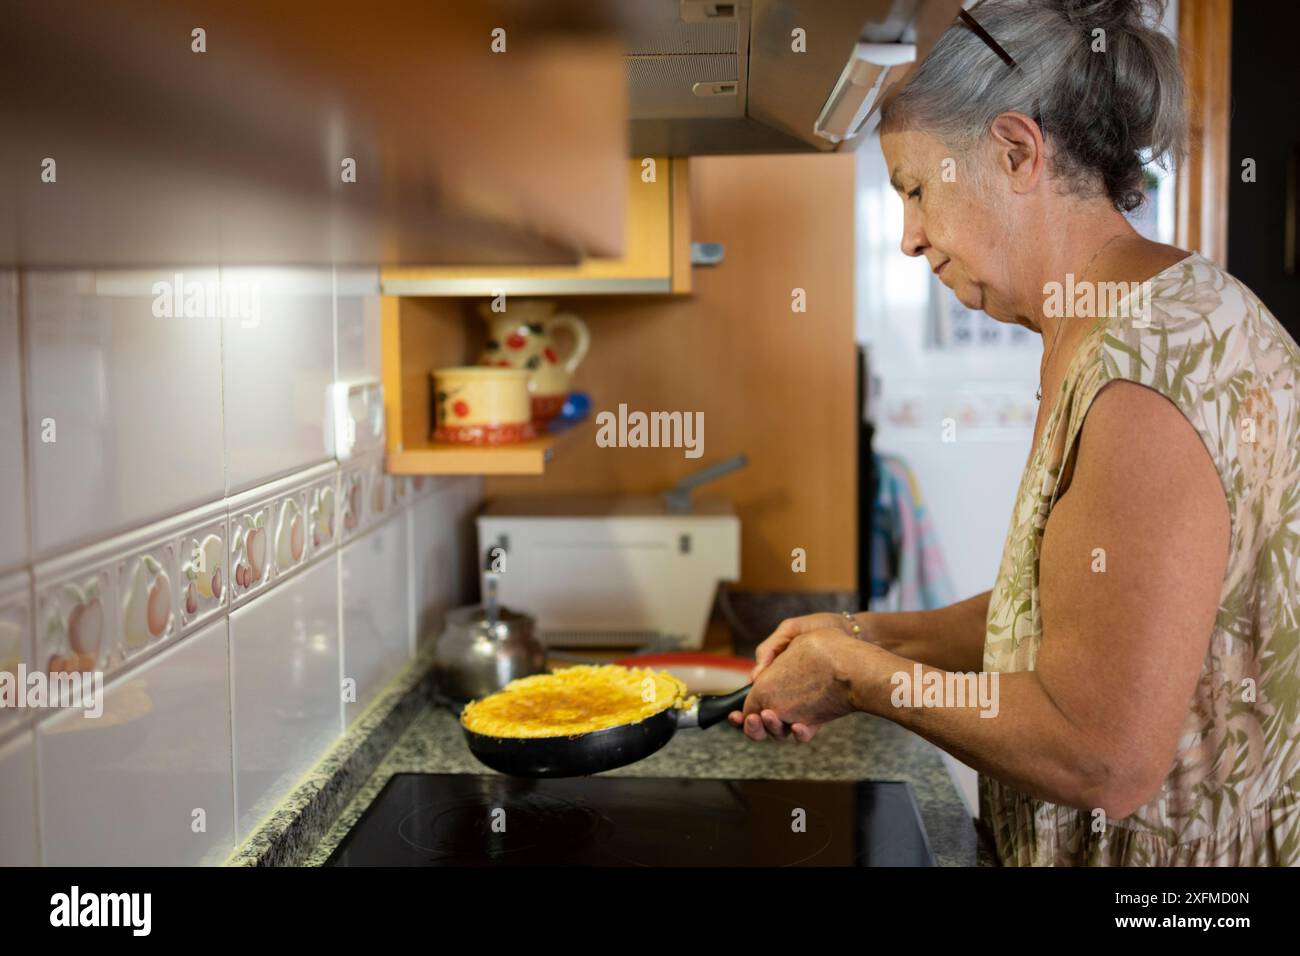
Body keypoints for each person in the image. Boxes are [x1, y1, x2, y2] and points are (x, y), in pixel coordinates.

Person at [729, 0, 1300, 865]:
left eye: (916, 190)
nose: (911, 238)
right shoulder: (1132, 325)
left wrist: (857, 678)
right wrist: (866, 635)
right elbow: (1076, 622)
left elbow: (1100, 754)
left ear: (1016, 151)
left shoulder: (1142, 373)